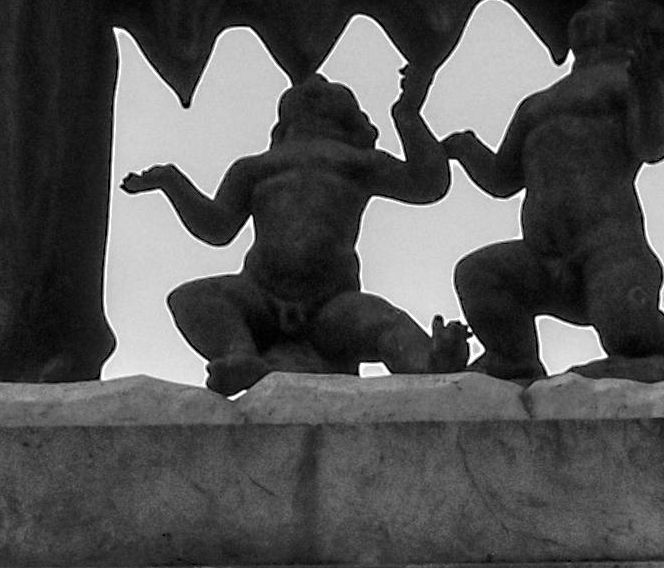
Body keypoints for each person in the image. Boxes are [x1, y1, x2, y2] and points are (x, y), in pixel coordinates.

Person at [122, 64, 463, 393]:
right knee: (192, 298)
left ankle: (430, 361)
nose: (314, 84)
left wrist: (407, 114)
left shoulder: (355, 162)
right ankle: (240, 355)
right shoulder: (253, 169)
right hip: (260, 296)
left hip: (331, 304)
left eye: (326, 94)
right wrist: (173, 183)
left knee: (383, 320)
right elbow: (218, 227)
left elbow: (427, 183)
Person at [442, 0, 664, 379]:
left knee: (625, 322)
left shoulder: (626, 81)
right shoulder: (537, 104)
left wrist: (648, 87)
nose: (594, 10)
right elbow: (502, 178)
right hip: (542, 255)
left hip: (609, 248)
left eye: (608, 7)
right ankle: (515, 360)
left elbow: (652, 146)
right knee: (479, 274)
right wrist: (467, 149)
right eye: (591, 6)